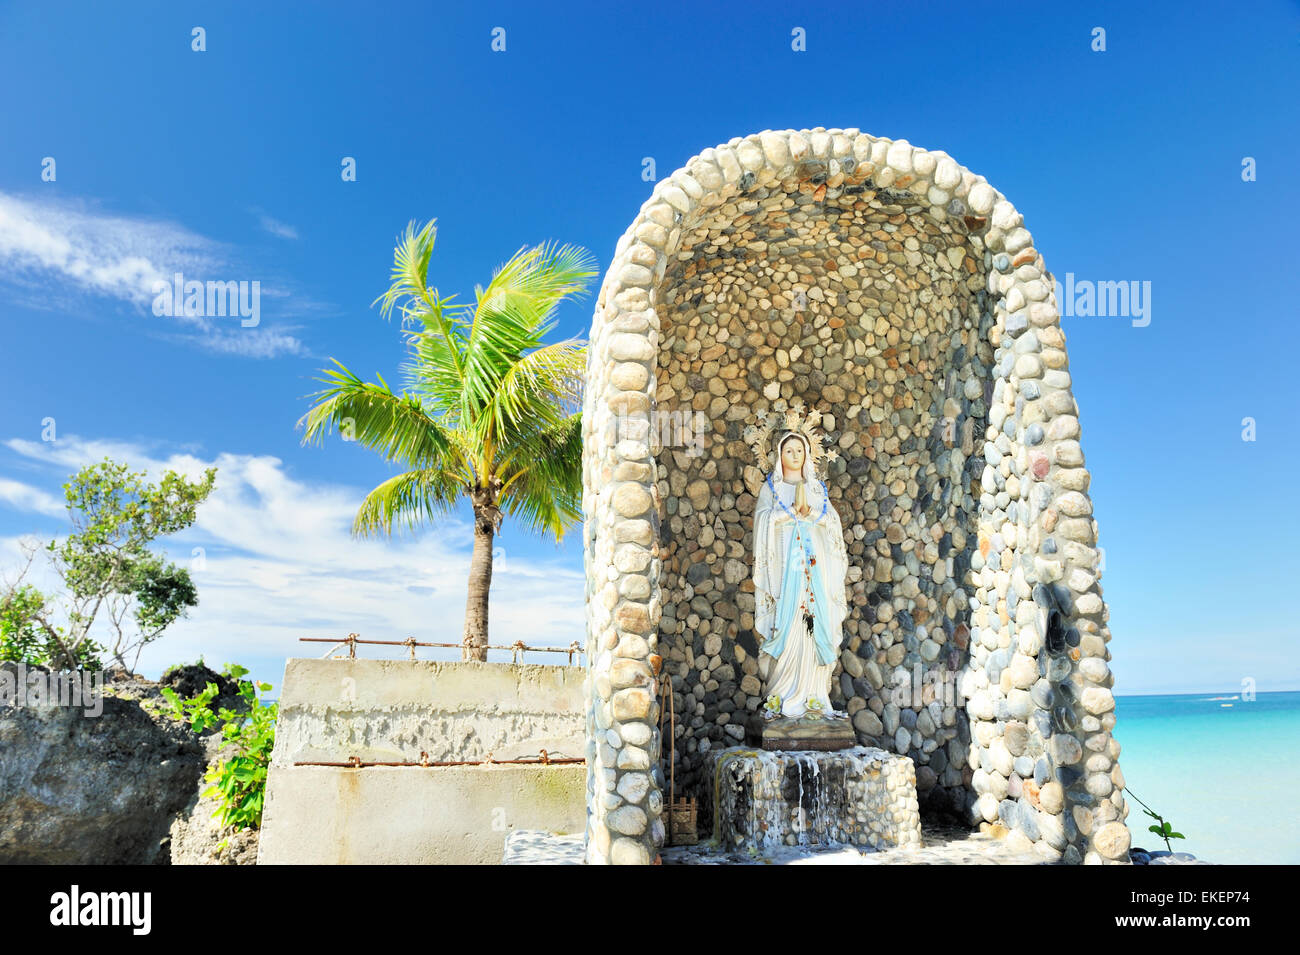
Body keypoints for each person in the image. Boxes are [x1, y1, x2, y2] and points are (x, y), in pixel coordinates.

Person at [752, 431, 849, 719]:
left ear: (807, 454)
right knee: (789, 619)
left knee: (815, 621)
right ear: (779, 456)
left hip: (814, 569)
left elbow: (832, 523)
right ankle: (782, 693)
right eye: (789, 451)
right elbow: (761, 522)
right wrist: (787, 515)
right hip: (785, 570)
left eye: (799, 450)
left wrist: (811, 515)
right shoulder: (771, 489)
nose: (795, 455)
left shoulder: (816, 488)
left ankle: (814, 694)